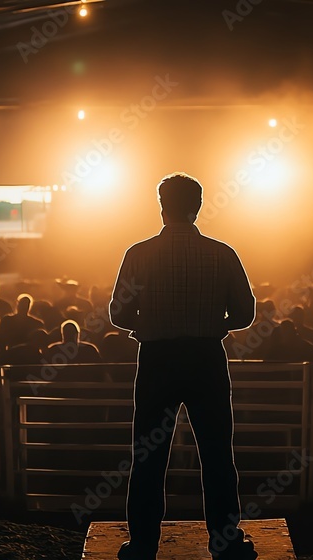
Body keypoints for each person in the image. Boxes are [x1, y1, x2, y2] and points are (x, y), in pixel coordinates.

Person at [109, 172, 258, 560]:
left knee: (148, 454)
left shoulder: (139, 254)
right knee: (216, 453)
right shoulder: (222, 253)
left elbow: (118, 313)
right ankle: (225, 541)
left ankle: (143, 544)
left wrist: (147, 323)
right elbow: (245, 312)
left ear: (162, 206)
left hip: (157, 360)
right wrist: (217, 324)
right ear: (198, 207)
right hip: (206, 358)